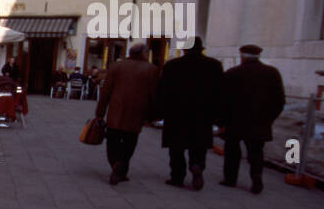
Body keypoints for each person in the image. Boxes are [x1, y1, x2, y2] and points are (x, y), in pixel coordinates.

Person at [157, 36, 223, 190]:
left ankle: (177, 177)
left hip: (176, 114)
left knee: (176, 148)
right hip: (202, 115)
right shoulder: (214, 66)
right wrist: (218, 117)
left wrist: (159, 112)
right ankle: (197, 166)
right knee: (198, 146)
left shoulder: (172, 65)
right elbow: (220, 93)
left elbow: (162, 91)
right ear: (201, 49)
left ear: (185, 49)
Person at [219, 44, 285, 194]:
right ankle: (256, 177)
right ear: (258, 56)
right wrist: (270, 118)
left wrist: (221, 122)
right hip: (259, 121)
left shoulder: (232, 73)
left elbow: (222, 100)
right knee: (256, 151)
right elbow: (279, 100)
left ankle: (230, 179)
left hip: (234, 121)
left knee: (232, 151)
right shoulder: (271, 73)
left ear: (241, 56)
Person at [94, 41, 160, 185]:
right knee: (129, 143)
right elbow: (153, 95)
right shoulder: (151, 69)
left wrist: (100, 112)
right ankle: (121, 166)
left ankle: (115, 165)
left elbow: (106, 91)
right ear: (143, 53)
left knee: (112, 141)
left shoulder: (116, 66)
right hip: (136, 113)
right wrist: (152, 116)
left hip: (115, 112)